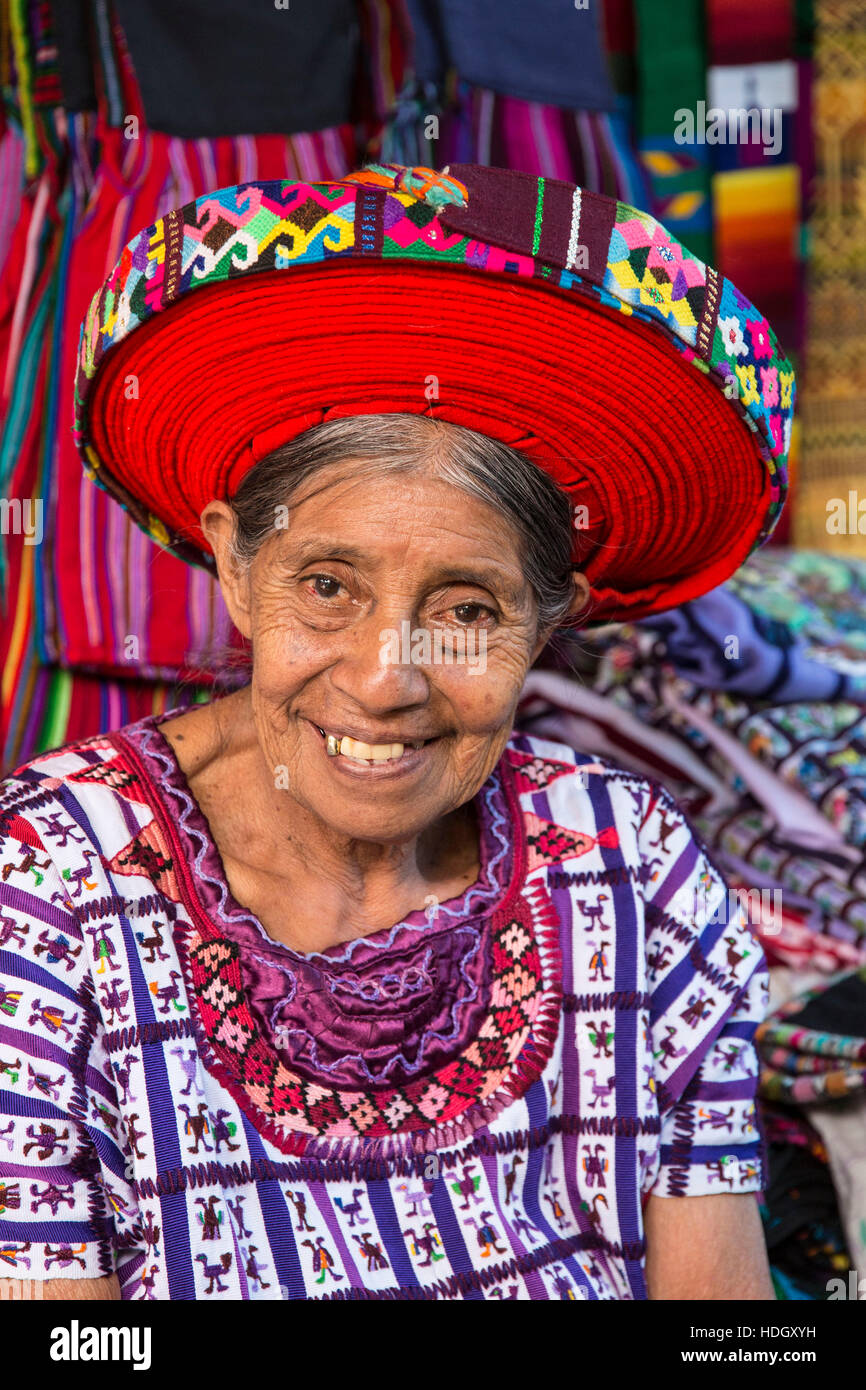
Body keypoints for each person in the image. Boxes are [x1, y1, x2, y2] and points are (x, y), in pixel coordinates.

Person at [0, 162, 794, 1300]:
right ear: (233, 562)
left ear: (547, 619)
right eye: (326, 585)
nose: (385, 683)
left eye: (468, 610)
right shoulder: (50, 882)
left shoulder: (629, 861)